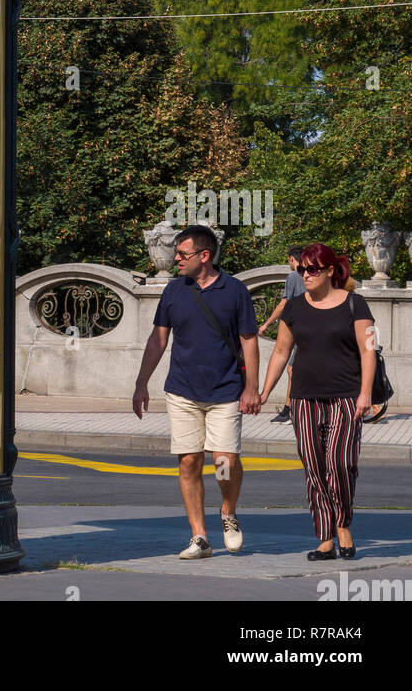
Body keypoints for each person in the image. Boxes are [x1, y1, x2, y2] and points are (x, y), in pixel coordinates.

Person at [133, 227, 261, 559]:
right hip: (182, 391)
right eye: (176, 253)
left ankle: (228, 513)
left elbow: (249, 340)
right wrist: (140, 383)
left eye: (182, 254)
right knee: (189, 460)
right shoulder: (174, 291)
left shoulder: (234, 291)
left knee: (224, 461)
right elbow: (158, 339)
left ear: (204, 256)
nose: (176, 259)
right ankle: (199, 537)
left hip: (226, 390)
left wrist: (252, 388)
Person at [260, 243, 375, 560]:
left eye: (312, 269)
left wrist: (365, 393)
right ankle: (325, 538)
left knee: (340, 464)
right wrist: (264, 391)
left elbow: (368, 351)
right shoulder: (294, 307)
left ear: (328, 271)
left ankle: (343, 525)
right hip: (304, 400)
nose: (305, 274)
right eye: (301, 269)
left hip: (347, 397)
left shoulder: (356, 304)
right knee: (314, 468)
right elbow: (282, 351)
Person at [258, 247, 304, 421]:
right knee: (293, 369)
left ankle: (290, 409)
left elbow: (284, 303)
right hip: (306, 328)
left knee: (293, 369)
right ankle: (289, 408)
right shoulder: (312, 276)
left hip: (300, 329)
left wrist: (266, 324)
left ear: (292, 259)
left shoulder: (293, 277)